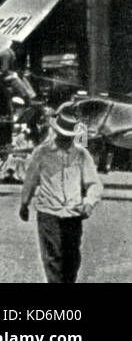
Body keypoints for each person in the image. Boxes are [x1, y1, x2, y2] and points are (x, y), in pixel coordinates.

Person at [19, 107, 103, 283]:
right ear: (56, 133)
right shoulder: (41, 152)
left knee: (72, 259)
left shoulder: (81, 155)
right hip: (48, 212)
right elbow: (30, 180)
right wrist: (24, 203)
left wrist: (89, 203)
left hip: (73, 213)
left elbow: (94, 183)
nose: (65, 140)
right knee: (53, 257)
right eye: (62, 136)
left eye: (69, 137)